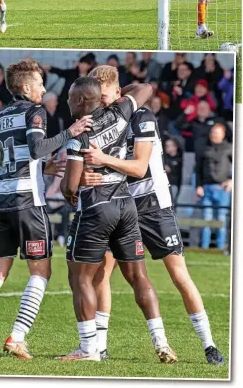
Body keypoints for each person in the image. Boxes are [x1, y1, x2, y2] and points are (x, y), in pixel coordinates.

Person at [81, 66, 224, 365]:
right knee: (102, 274)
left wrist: (102, 160)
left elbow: (139, 168)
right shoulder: (99, 122)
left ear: (119, 94)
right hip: (121, 206)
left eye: (104, 97)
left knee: (178, 275)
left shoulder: (141, 117)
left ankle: (209, 344)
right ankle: (101, 347)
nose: (100, 103)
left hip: (153, 205)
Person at [0, 60, 92, 360]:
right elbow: (36, 148)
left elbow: (10, 161)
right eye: (39, 83)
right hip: (28, 202)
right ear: (25, 87)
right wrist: (71, 132)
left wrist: (41, 167)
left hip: (1, 200)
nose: (44, 88)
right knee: (41, 271)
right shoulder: (35, 111)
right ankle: (17, 337)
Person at [58, 76, 177, 363]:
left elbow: (71, 186)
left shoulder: (78, 133)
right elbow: (147, 88)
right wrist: (114, 94)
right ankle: (161, 342)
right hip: (126, 205)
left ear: (79, 101)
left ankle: (89, 350)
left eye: (72, 97)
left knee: (80, 277)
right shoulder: (120, 112)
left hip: (97, 207)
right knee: (139, 277)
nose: (68, 101)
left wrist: (66, 186)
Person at [196, 123, 232, 251]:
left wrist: (232, 181)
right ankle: (205, 249)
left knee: (221, 220)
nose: (214, 135)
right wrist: (198, 186)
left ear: (223, 134)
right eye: (212, 132)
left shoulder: (230, 148)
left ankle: (221, 248)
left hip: (222, 190)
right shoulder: (204, 149)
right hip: (206, 188)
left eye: (217, 132)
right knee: (206, 220)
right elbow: (198, 169)